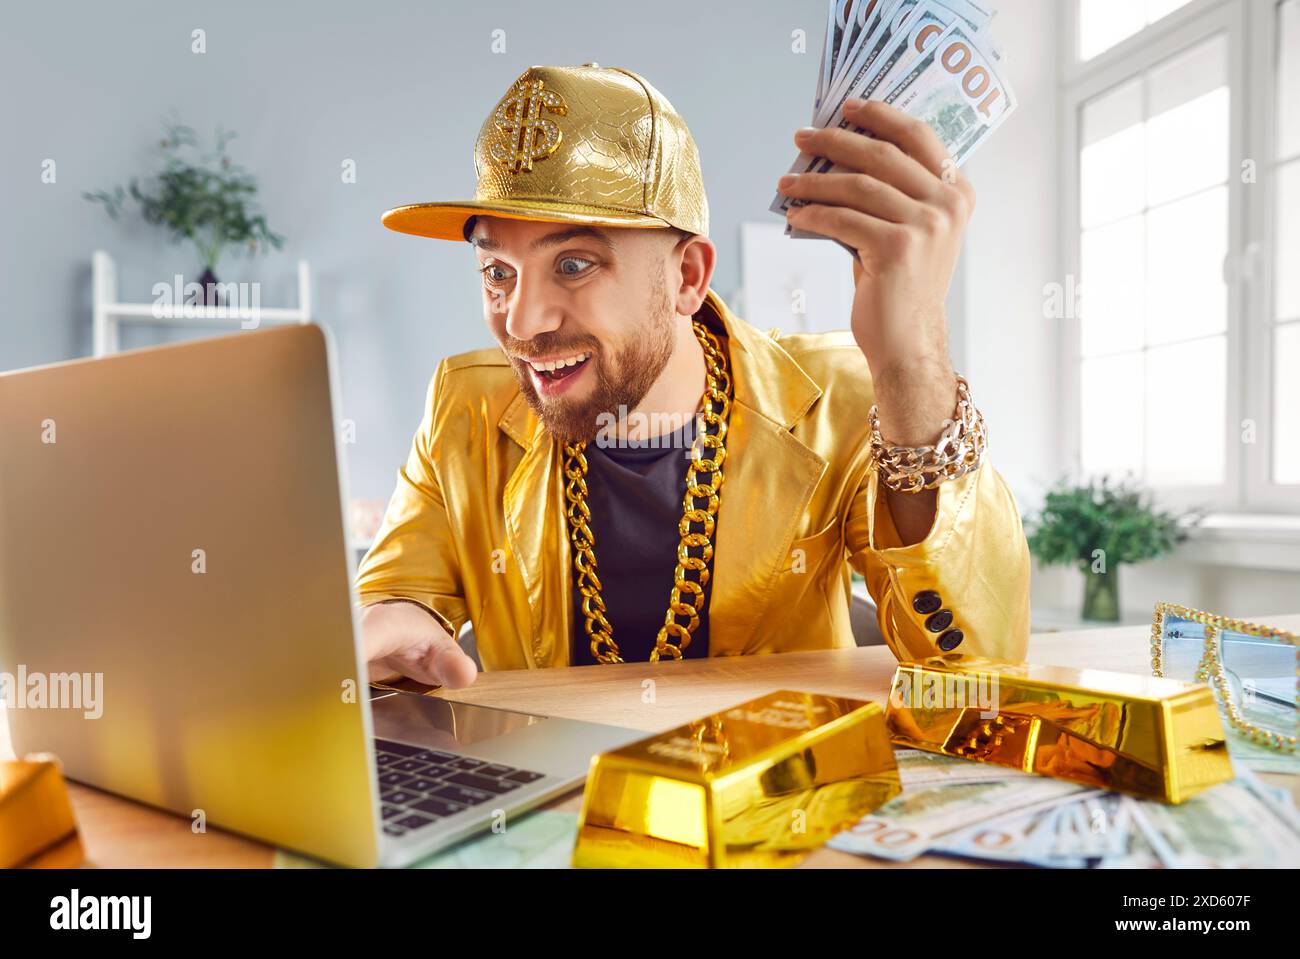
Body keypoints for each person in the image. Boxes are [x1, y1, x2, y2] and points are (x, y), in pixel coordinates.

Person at [356, 63, 1029, 689]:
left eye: (573, 265)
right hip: (556, 807)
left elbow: (978, 670)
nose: (522, 322)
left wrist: (912, 361)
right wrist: (397, 620)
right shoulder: (465, 403)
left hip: (770, 803)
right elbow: (397, 595)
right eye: (497, 271)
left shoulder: (840, 398)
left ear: (686, 276)